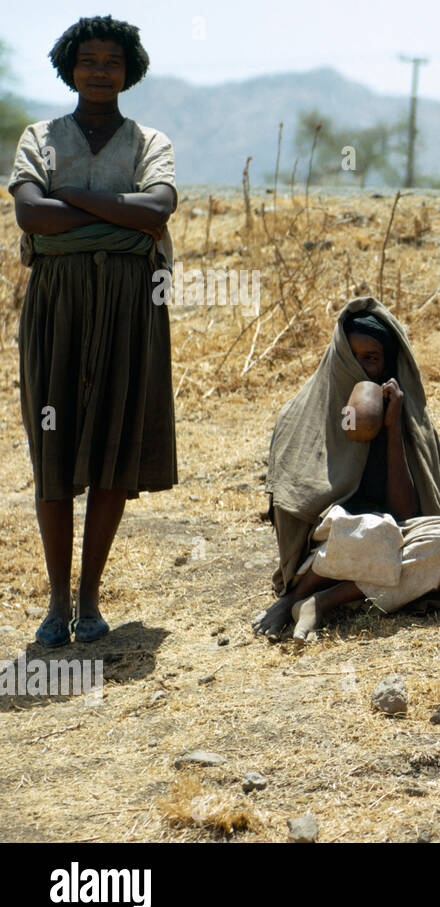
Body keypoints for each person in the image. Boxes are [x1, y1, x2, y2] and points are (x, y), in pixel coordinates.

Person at [9, 16, 178, 647]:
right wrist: (116, 218)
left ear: (129, 70)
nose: (100, 70)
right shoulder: (40, 136)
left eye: (112, 61)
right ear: (69, 67)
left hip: (132, 303)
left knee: (111, 441)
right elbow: (30, 213)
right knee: (54, 448)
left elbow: (159, 209)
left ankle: (89, 600)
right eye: (88, 60)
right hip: (57, 304)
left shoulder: (148, 140)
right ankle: (54, 603)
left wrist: (69, 200)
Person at [252, 298, 440, 641]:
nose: (361, 368)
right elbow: (295, 516)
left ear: (388, 364)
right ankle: (293, 597)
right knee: (370, 530)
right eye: (352, 357)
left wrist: (393, 429)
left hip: (391, 540)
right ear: (339, 358)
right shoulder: (299, 416)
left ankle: (320, 604)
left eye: (371, 359)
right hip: (327, 553)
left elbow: (404, 513)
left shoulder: (407, 419)